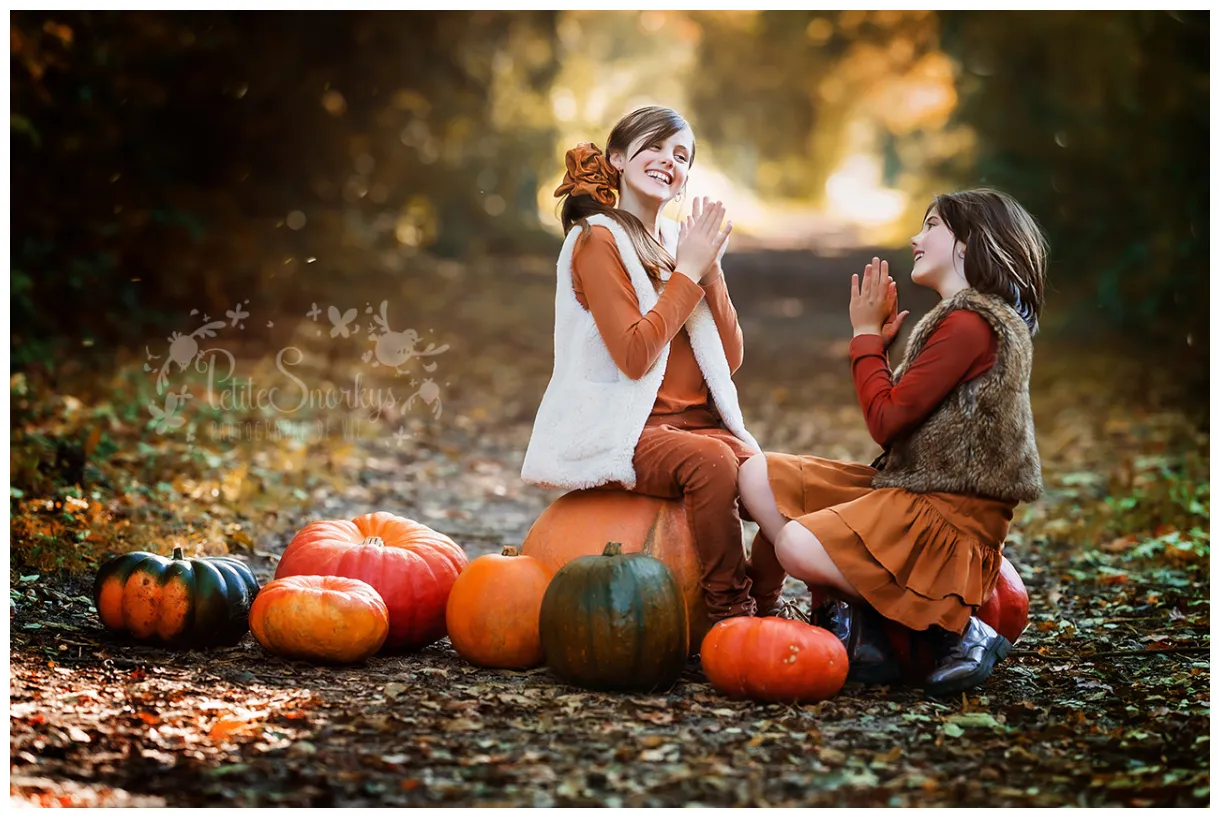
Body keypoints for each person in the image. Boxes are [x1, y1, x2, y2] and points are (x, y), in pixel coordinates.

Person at [737, 188, 1047, 696]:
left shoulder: (972, 324)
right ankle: (863, 628)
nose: (915, 238)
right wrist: (875, 348)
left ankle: (957, 630)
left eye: (932, 226)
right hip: (909, 493)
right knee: (758, 474)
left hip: (947, 520)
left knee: (794, 543)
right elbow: (899, 418)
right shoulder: (960, 320)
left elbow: (885, 421)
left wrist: (864, 338)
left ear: (969, 244)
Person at [521, 106, 782, 623]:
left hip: (696, 425)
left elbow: (727, 359)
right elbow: (635, 356)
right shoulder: (597, 239)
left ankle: (768, 603)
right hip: (627, 427)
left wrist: (710, 271)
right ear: (618, 158)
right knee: (712, 464)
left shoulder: (678, 244)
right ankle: (730, 611)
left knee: (782, 479)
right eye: (655, 146)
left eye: (681, 156)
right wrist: (688, 272)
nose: (669, 160)